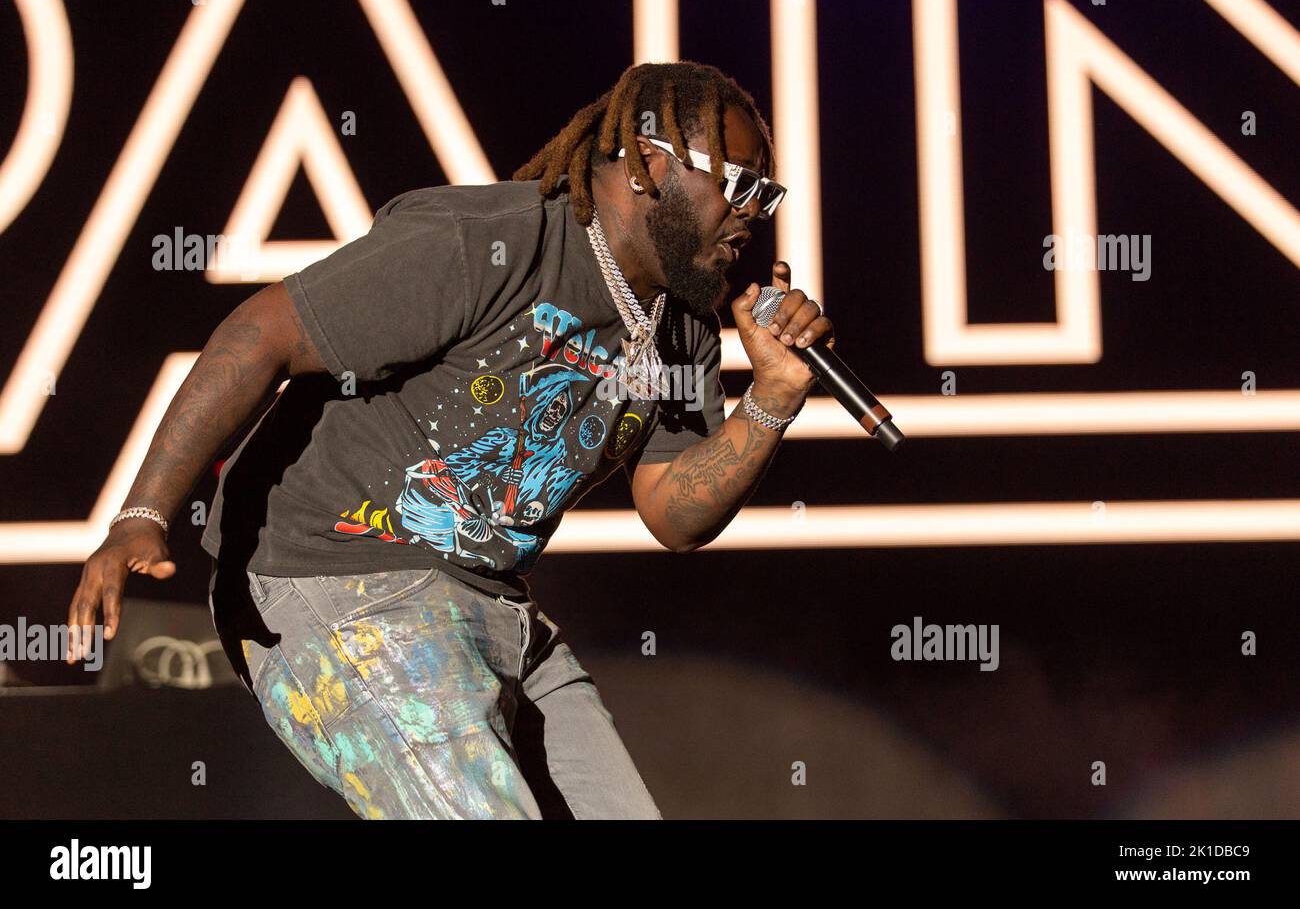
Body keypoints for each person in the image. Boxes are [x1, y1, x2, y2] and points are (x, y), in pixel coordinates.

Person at [65, 61, 835, 819]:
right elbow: (259, 337)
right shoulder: (488, 241)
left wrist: (769, 399)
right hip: (329, 577)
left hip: (490, 604)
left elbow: (673, 512)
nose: (755, 214)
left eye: (768, 194)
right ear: (648, 164)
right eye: (741, 186)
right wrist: (144, 514)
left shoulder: (683, 326)